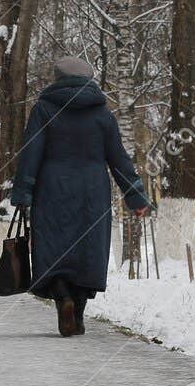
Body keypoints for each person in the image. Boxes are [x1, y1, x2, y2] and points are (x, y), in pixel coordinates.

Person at [11, 56, 150, 337]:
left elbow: (31, 152)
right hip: (92, 191)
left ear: (57, 77)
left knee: (54, 247)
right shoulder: (102, 114)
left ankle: (63, 297)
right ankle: (80, 313)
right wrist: (135, 197)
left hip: (52, 189)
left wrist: (23, 191)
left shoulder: (44, 109)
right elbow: (119, 159)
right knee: (88, 251)